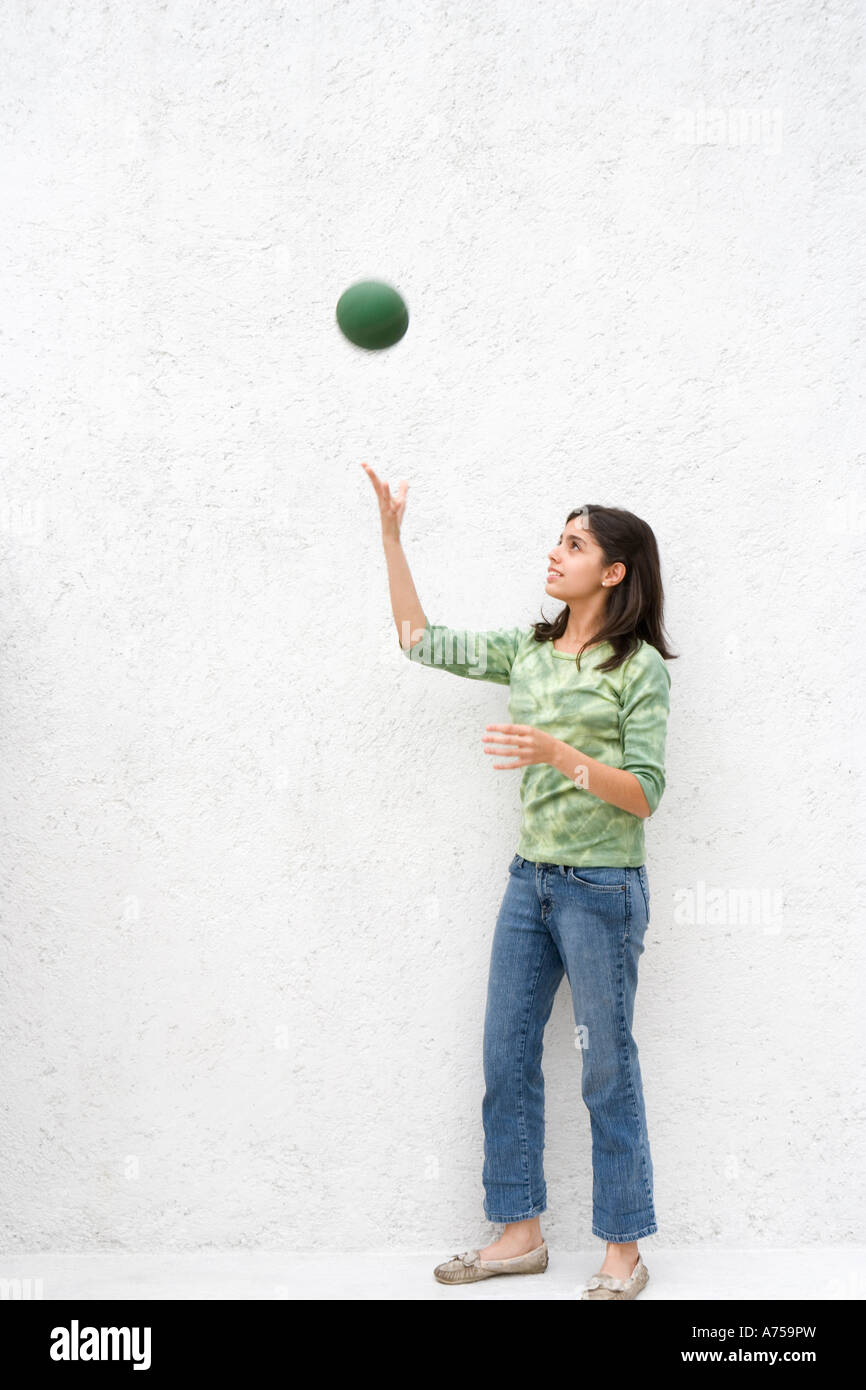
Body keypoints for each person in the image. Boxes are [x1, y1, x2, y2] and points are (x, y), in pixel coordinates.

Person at [362, 463, 676, 1300]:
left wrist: (559, 755)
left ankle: (623, 1249)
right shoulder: (528, 653)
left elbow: (645, 792)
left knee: (607, 1065)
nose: (555, 553)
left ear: (612, 571)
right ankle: (519, 1233)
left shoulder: (636, 666)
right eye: (558, 539)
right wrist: (392, 539)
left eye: (574, 544)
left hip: (603, 890)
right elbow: (417, 640)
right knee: (506, 1055)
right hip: (528, 885)